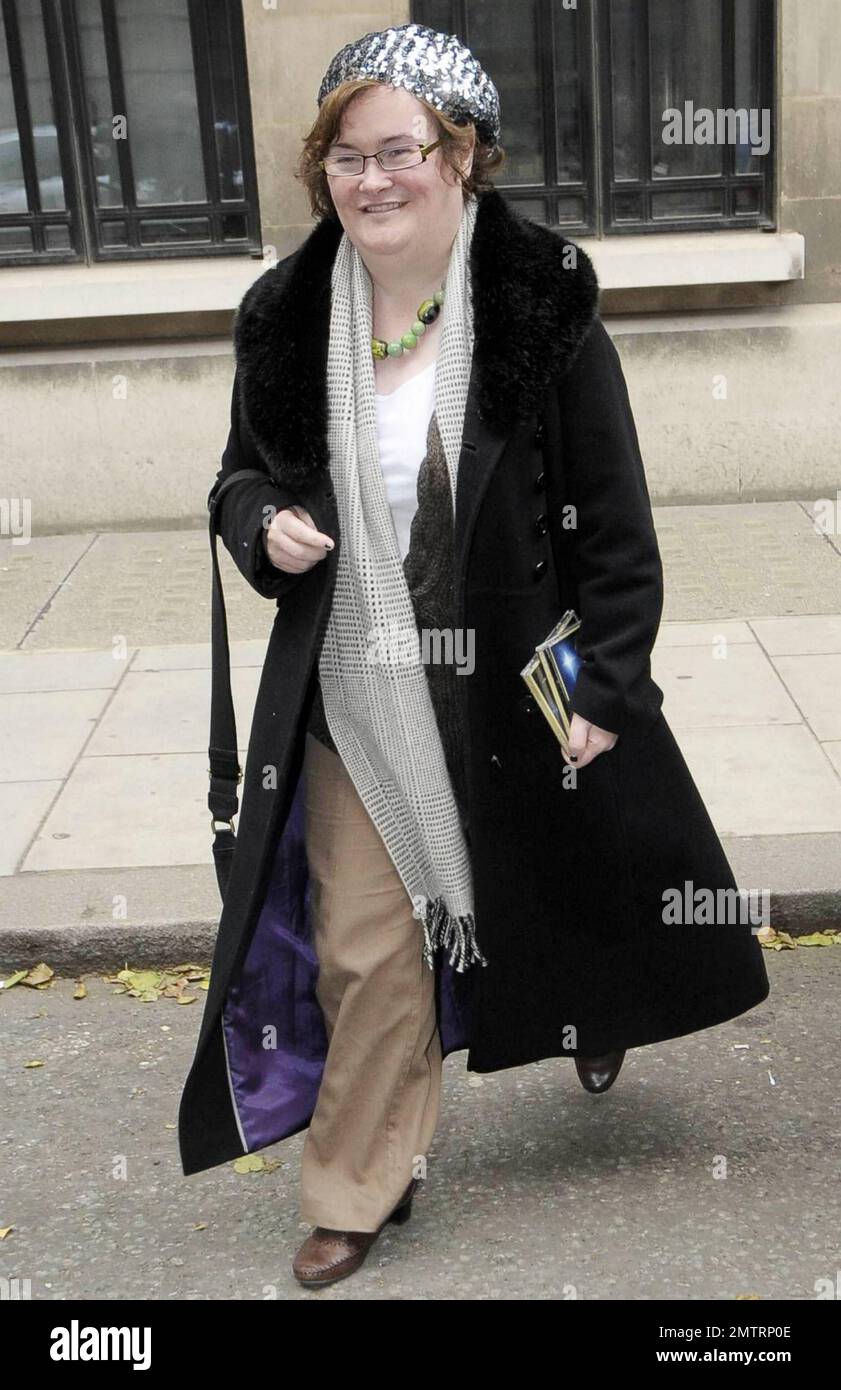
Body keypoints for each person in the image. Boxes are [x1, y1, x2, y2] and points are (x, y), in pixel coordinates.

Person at [178, 22, 769, 1290]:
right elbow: (237, 476)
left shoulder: (537, 308)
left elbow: (613, 522)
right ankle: (360, 1182)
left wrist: (605, 680)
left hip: (525, 658)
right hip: (356, 681)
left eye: (401, 150)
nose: (370, 179)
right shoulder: (285, 317)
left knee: (569, 875)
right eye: (346, 155)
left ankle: (589, 1006)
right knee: (364, 942)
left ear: (463, 159)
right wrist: (257, 522)